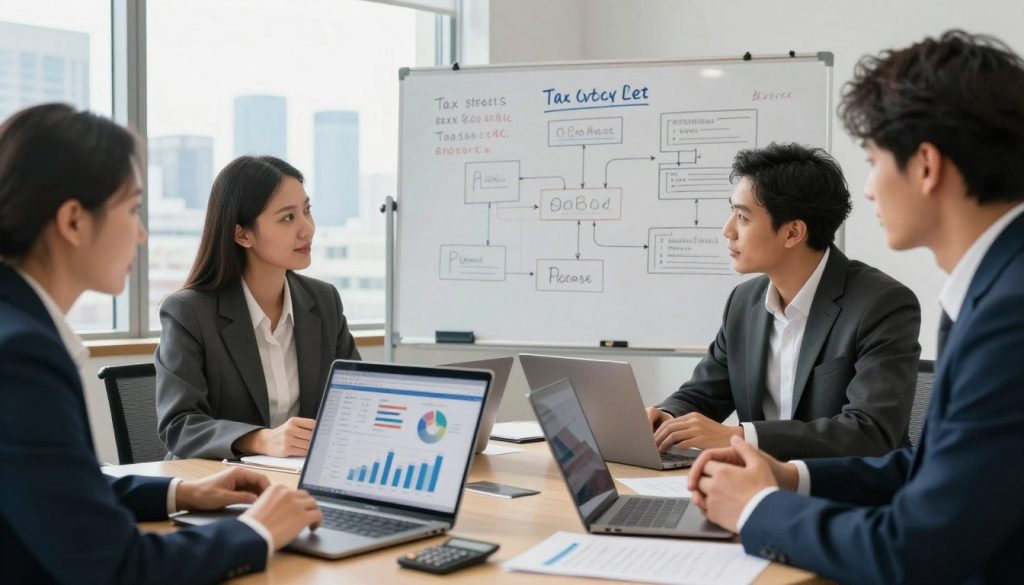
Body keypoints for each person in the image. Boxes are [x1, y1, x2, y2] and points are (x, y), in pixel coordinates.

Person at [688, 30, 1024, 584]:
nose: (867, 191)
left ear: (926, 165)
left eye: (873, 160)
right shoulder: (992, 286)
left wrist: (755, 509)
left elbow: (912, 550)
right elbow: (931, 470)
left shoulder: (1008, 314)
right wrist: (791, 477)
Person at [0, 104, 322, 584]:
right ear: (73, 222)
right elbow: (118, 567)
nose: (142, 234)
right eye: (132, 209)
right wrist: (256, 531)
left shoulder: (16, 331)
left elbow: (57, 491)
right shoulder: (21, 356)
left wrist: (180, 493)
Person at [646, 143, 921, 459]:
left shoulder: (882, 304)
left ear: (793, 233)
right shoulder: (744, 302)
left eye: (742, 217)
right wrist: (666, 416)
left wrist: (741, 437)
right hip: (759, 481)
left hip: (843, 485)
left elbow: (869, 432)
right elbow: (704, 393)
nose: (727, 230)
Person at [155, 155, 361, 460]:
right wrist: (261, 440)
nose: (307, 229)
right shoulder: (189, 312)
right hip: (219, 478)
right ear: (243, 234)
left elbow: (354, 402)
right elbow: (179, 425)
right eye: (287, 218)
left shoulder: (323, 301)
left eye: (307, 210)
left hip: (300, 476)